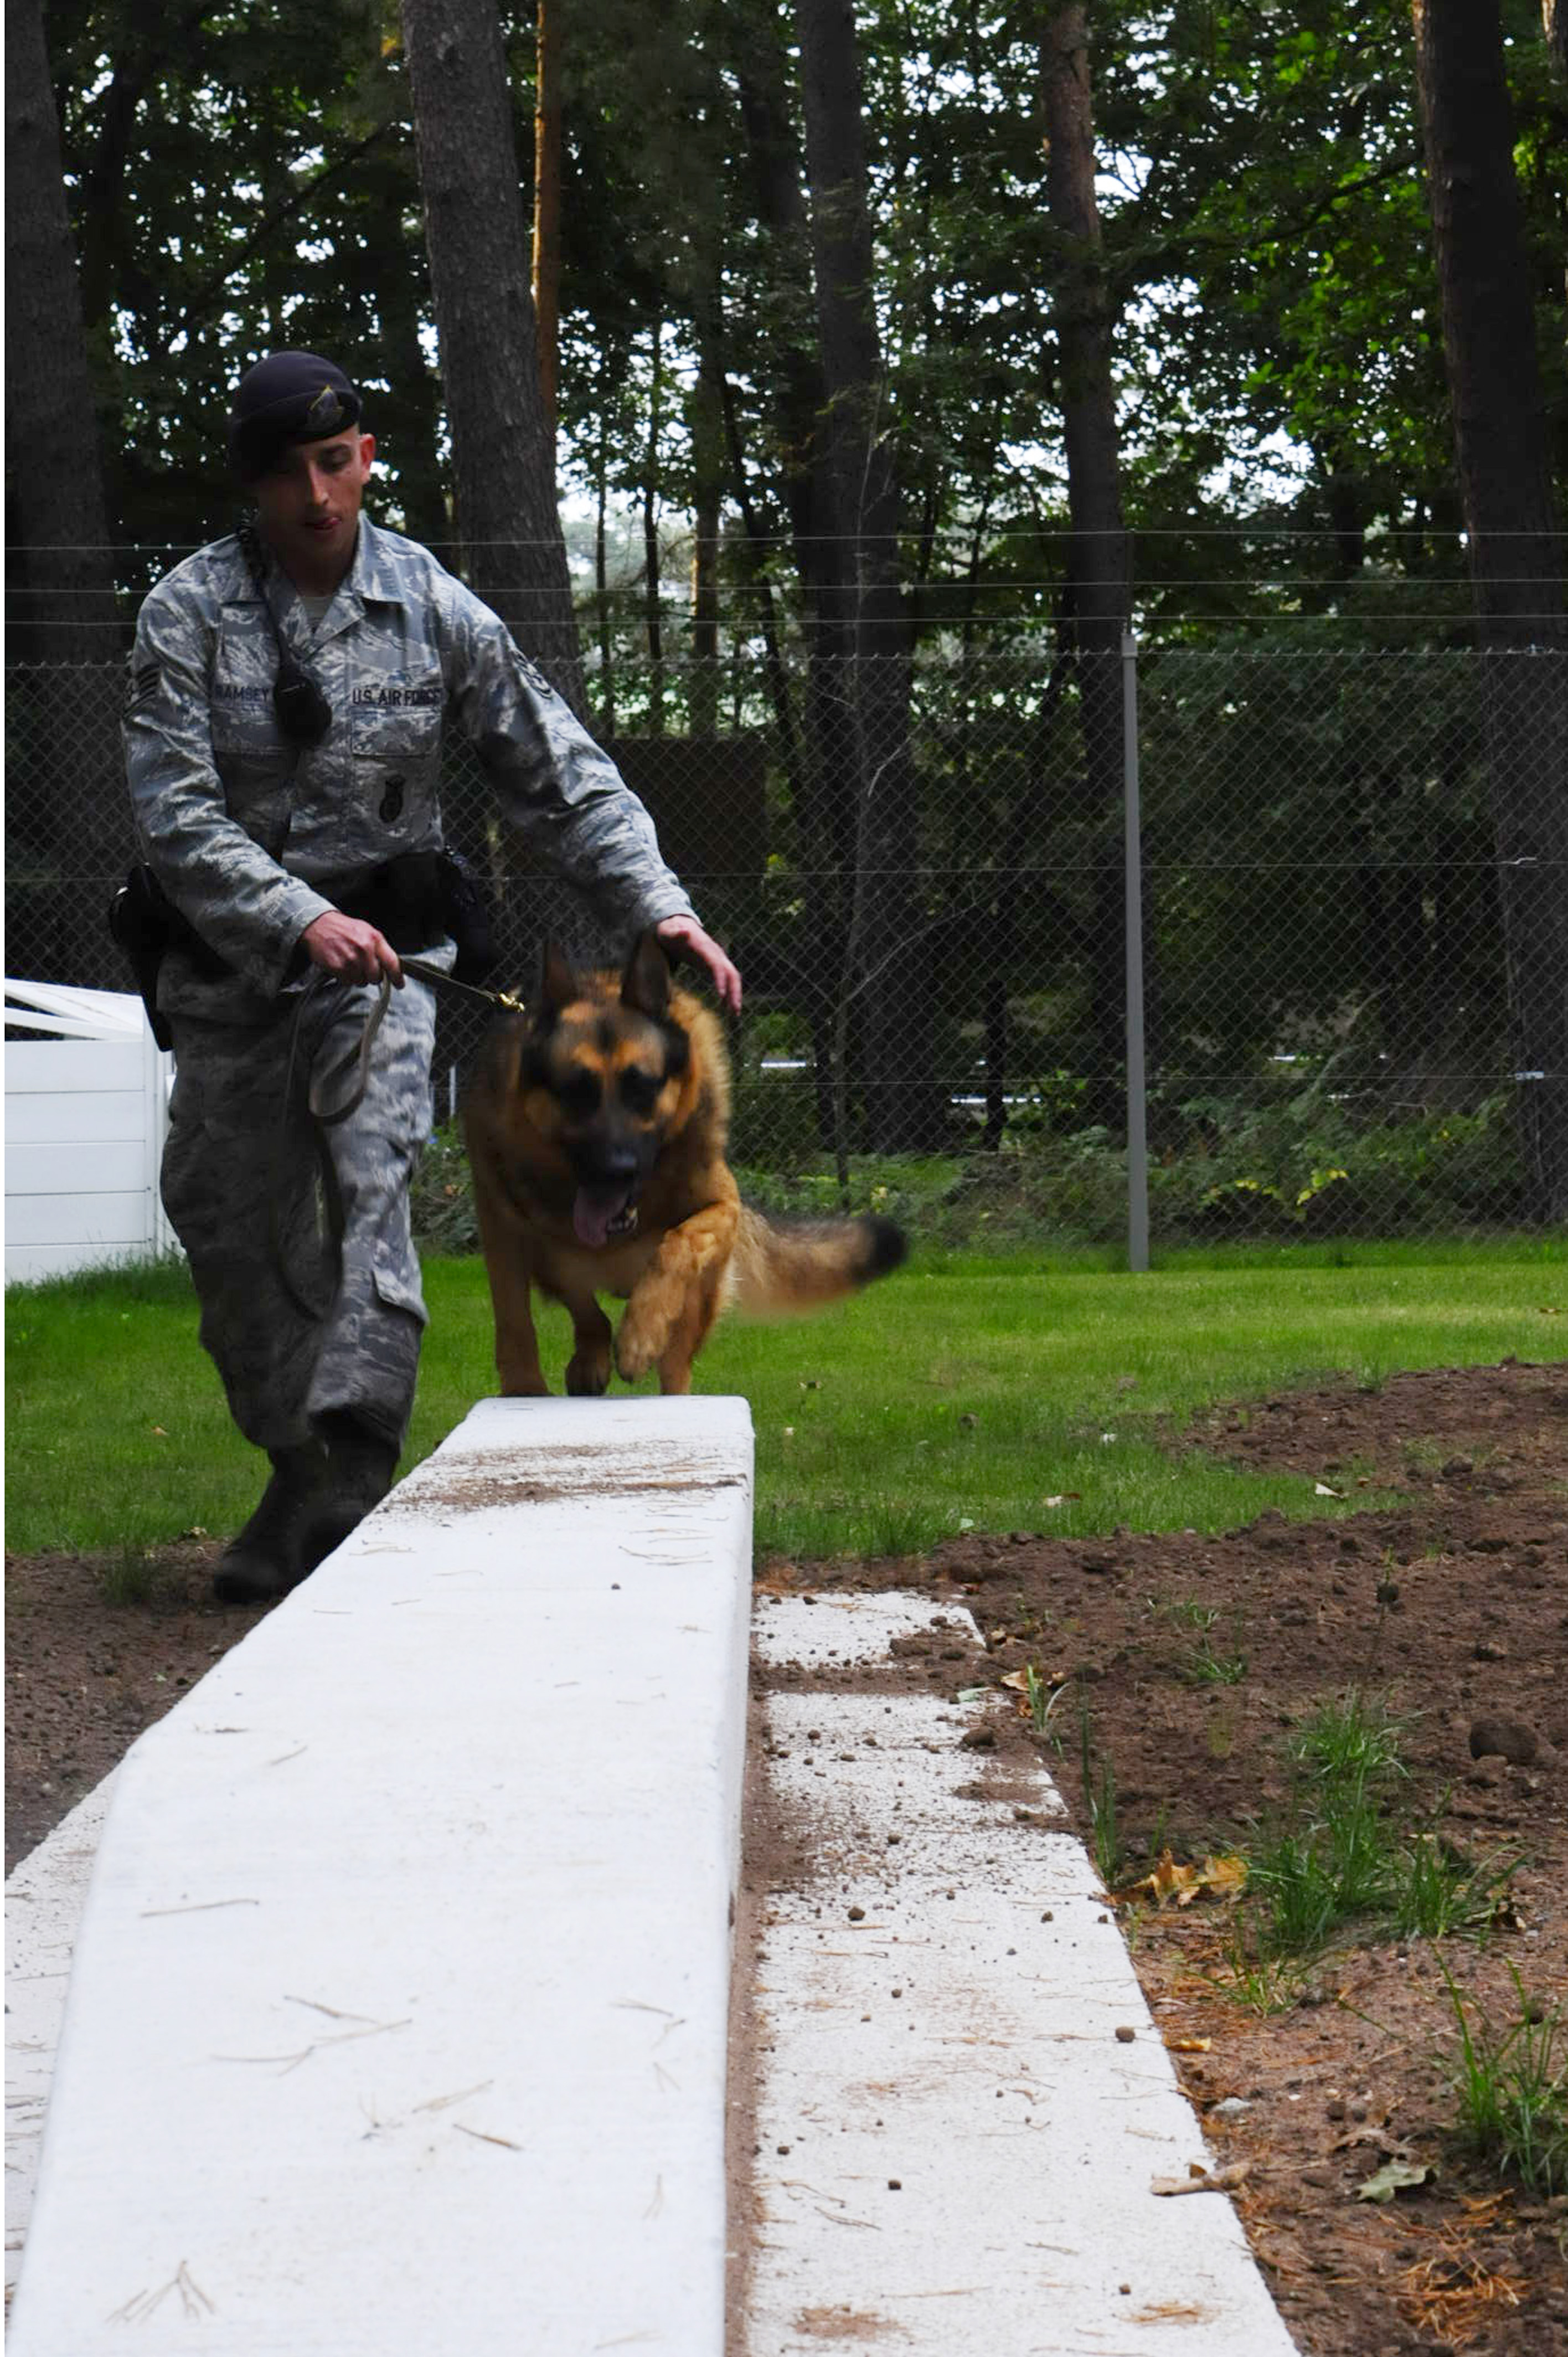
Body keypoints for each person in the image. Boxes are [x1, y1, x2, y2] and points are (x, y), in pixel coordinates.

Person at [123, 349, 741, 1606]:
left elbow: (556, 770)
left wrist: (661, 905)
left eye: (336, 461)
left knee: (375, 1158)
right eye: (289, 471)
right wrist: (298, 918)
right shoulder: (184, 614)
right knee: (229, 1226)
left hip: (394, 961)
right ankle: (300, 1463)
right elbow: (177, 817)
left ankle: (360, 1454)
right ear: (253, 484)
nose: (317, 493)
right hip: (237, 969)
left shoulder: (430, 604)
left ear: (366, 458)